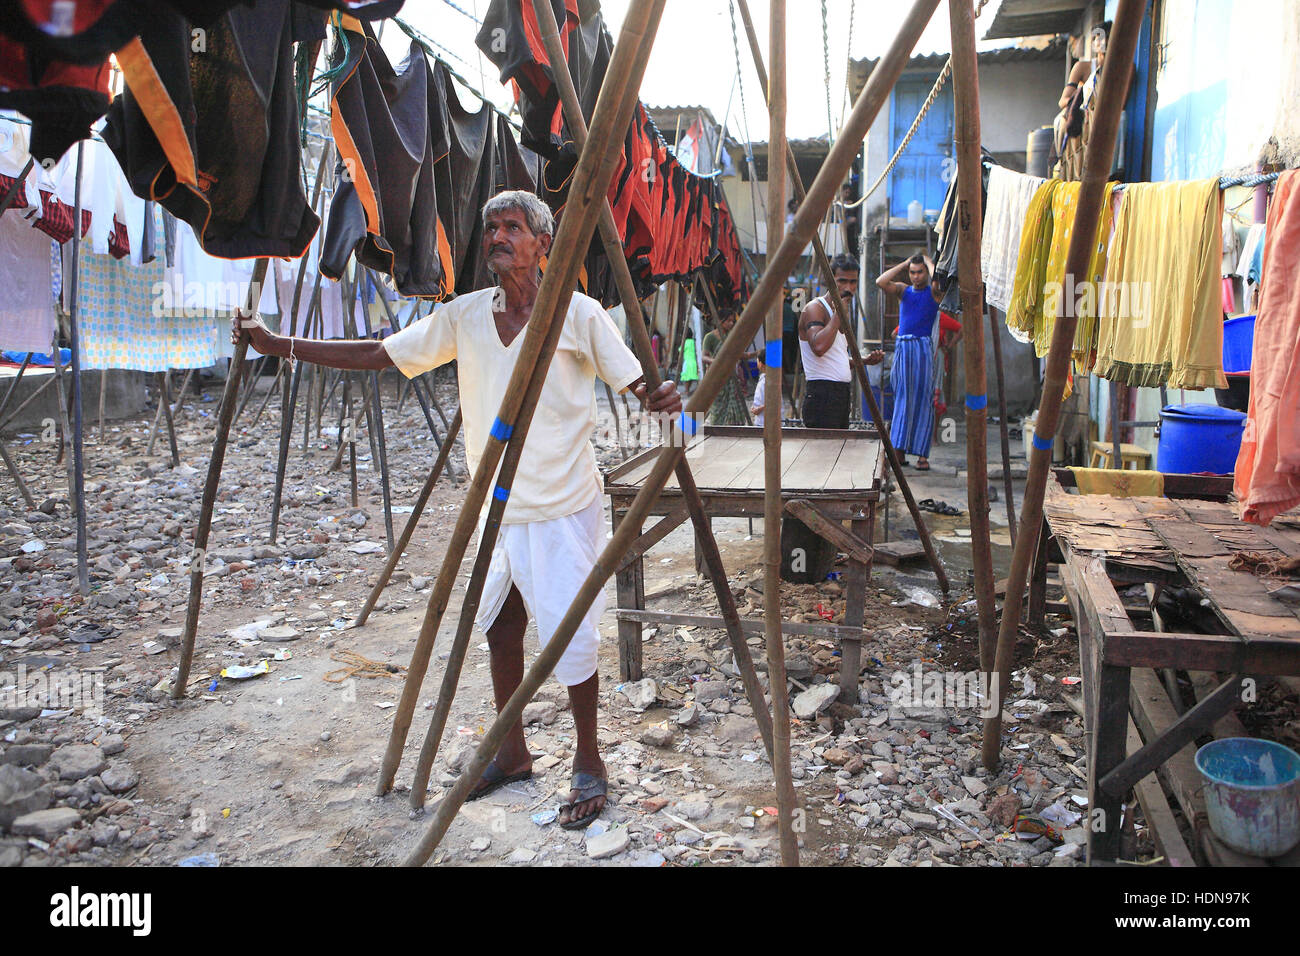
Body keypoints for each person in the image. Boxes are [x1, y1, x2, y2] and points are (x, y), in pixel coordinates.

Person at [232, 190, 682, 831]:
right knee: (500, 628)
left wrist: (664, 400)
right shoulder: (465, 316)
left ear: (543, 244)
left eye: (513, 227)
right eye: (492, 227)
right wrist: (281, 346)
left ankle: (589, 758)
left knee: (571, 638)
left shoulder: (578, 315)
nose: (498, 236)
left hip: (561, 506)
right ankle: (512, 751)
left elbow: (642, 389)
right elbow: (382, 353)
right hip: (495, 508)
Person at [798, 253, 883, 428]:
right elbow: (819, 348)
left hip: (840, 394)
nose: (848, 287)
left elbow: (835, 358)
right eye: (842, 281)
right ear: (830, 280)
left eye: (853, 282)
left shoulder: (841, 311)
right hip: (821, 394)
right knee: (824, 453)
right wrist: (839, 315)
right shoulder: (815, 308)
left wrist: (864, 361)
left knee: (838, 451)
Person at [877, 253, 942, 470]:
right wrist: (904, 264)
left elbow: (940, 282)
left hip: (922, 347)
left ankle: (923, 456)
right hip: (903, 348)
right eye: (912, 272)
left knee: (924, 399)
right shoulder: (903, 291)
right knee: (902, 398)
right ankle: (899, 452)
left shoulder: (934, 293)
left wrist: (929, 262)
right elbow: (881, 281)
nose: (915, 276)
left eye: (919, 272)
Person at [701, 309, 751, 425]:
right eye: (728, 321)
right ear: (719, 321)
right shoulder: (710, 337)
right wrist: (716, 361)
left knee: (734, 406)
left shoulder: (732, 336)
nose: (731, 324)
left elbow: (738, 354)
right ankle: (718, 428)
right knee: (718, 407)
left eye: (732, 321)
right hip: (716, 377)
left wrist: (753, 354)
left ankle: (733, 429)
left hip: (732, 376)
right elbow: (704, 357)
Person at [679, 325, 700, 397]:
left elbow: (680, 350)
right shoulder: (693, 342)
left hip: (687, 363)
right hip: (693, 362)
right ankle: (695, 390)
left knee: (687, 378)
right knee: (692, 378)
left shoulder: (685, 343)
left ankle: (687, 391)